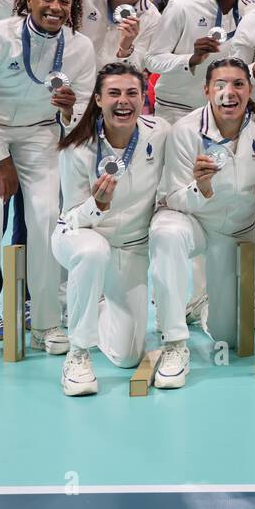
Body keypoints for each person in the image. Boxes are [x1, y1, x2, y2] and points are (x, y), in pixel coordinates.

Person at [0, 0, 97, 365]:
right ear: (28, 0)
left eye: (64, 2)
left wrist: (69, 110)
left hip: (38, 133)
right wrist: (2, 160)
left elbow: (83, 108)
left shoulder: (81, 47)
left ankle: (46, 322)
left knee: (48, 216)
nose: (55, 7)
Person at [150, 58, 255, 385]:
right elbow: (175, 197)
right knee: (165, 232)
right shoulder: (185, 131)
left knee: (229, 338)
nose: (229, 92)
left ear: (249, 89)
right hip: (192, 222)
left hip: (235, 232)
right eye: (220, 85)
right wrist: (202, 187)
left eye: (238, 84)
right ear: (206, 90)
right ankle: (174, 342)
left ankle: (203, 307)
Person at [53, 64, 170, 396]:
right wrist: (97, 206)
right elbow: (72, 217)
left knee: (128, 355)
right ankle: (78, 354)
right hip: (81, 237)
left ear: (144, 97)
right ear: (98, 100)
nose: (123, 101)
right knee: (93, 252)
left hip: (131, 246)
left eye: (132, 93)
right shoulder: (77, 149)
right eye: (114, 93)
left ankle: (95, 302)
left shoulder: (159, 133)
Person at [146, 0, 249, 124]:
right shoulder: (183, 5)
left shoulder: (250, 13)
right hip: (175, 110)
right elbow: (152, 59)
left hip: (223, 112)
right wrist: (190, 60)